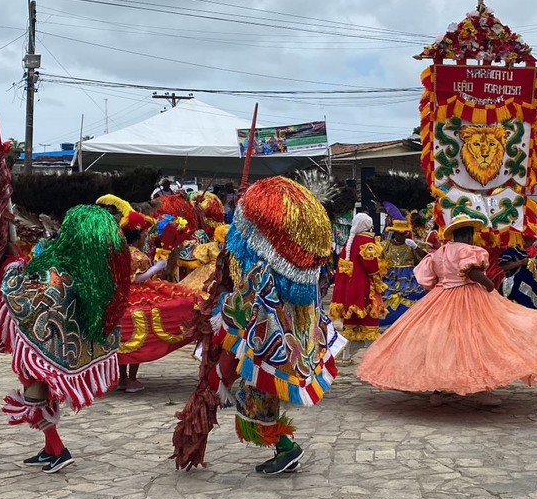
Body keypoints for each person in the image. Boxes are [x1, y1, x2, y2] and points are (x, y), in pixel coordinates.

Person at [0, 205, 130, 474]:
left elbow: (20, 292)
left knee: (34, 395)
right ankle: (50, 448)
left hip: (38, 353)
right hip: (49, 352)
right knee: (40, 394)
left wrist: (11, 264)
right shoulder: (91, 278)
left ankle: (58, 450)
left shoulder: (57, 274)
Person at [171, 177, 342, 475]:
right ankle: (284, 447)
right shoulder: (300, 277)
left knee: (254, 404)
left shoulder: (262, 273)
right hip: (276, 345)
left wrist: (220, 308)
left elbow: (243, 310)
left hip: (263, 348)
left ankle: (286, 448)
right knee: (248, 397)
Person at [357, 214, 537, 404]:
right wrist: (489, 285)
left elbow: (426, 279)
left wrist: (445, 283)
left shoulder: (439, 253)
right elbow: (473, 274)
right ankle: (483, 390)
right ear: (467, 235)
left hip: (440, 298)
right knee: (480, 339)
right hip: (469, 296)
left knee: (441, 341)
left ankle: (437, 392)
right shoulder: (469, 251)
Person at [95, 195, 204, 393]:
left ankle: (122, 378)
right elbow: (136, 279)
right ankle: (131, 379)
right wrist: (157, 268)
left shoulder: (117, 252)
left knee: (125, 338)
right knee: (149, 329)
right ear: (137, 236)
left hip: (117, 296)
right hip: (137, 295)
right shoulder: (136, 255)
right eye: (144, 234)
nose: (146, 237)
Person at [330, 213, 386, 356]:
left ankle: (346, 355)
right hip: (365, 287)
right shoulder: (366, 241)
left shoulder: (350, 242)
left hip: (350, 287)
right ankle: (375, 355)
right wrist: (379, 282)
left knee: (351, 323)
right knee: (369, 320)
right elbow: (372, 267)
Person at [379, 219, 427, 328]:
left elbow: (425, 258)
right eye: (399, 234)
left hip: (409, 277)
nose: (401, 236)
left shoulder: (411, 245)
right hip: (390, 276)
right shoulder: (385, 245)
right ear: (394, 233)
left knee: (412, 294)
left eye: (403, 234)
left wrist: (416, 247)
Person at [498, 246, 537, 310]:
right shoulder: (511, 251)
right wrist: (521, 262)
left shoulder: (531, 249)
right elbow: (505, 266)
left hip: (529, 282)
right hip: (514, 284)